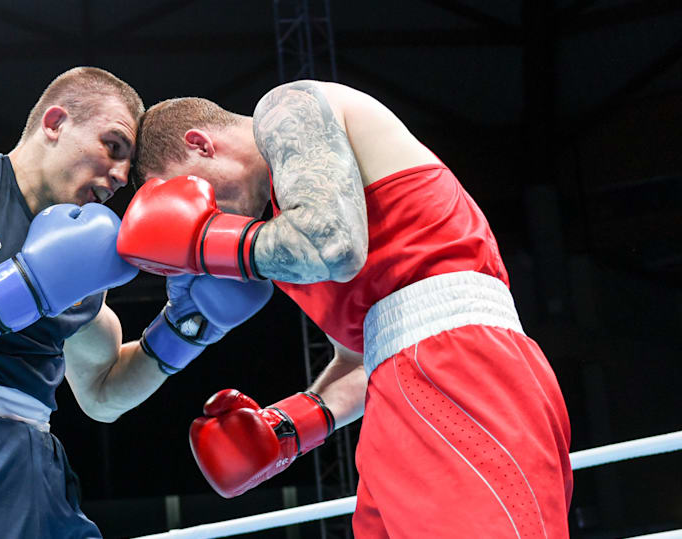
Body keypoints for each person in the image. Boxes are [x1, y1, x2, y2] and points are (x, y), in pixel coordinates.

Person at [117, 81, 573, 538]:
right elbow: (360, 360)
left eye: (197, 197)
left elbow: (331, 244)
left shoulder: (285, 108)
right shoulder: (279, 230)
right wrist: (287, 427)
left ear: (200, 144)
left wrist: (199, 242)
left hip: (464, 369)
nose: (207, 213)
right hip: (395, 391)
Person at [0, 66, 272, 538]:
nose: (118, 176)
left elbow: (103, 393)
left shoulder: (83, 256)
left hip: (38, 463)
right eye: (112, 146)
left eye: (126, 165)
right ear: (55, 123)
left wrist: (188, 326)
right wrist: (31, 285)